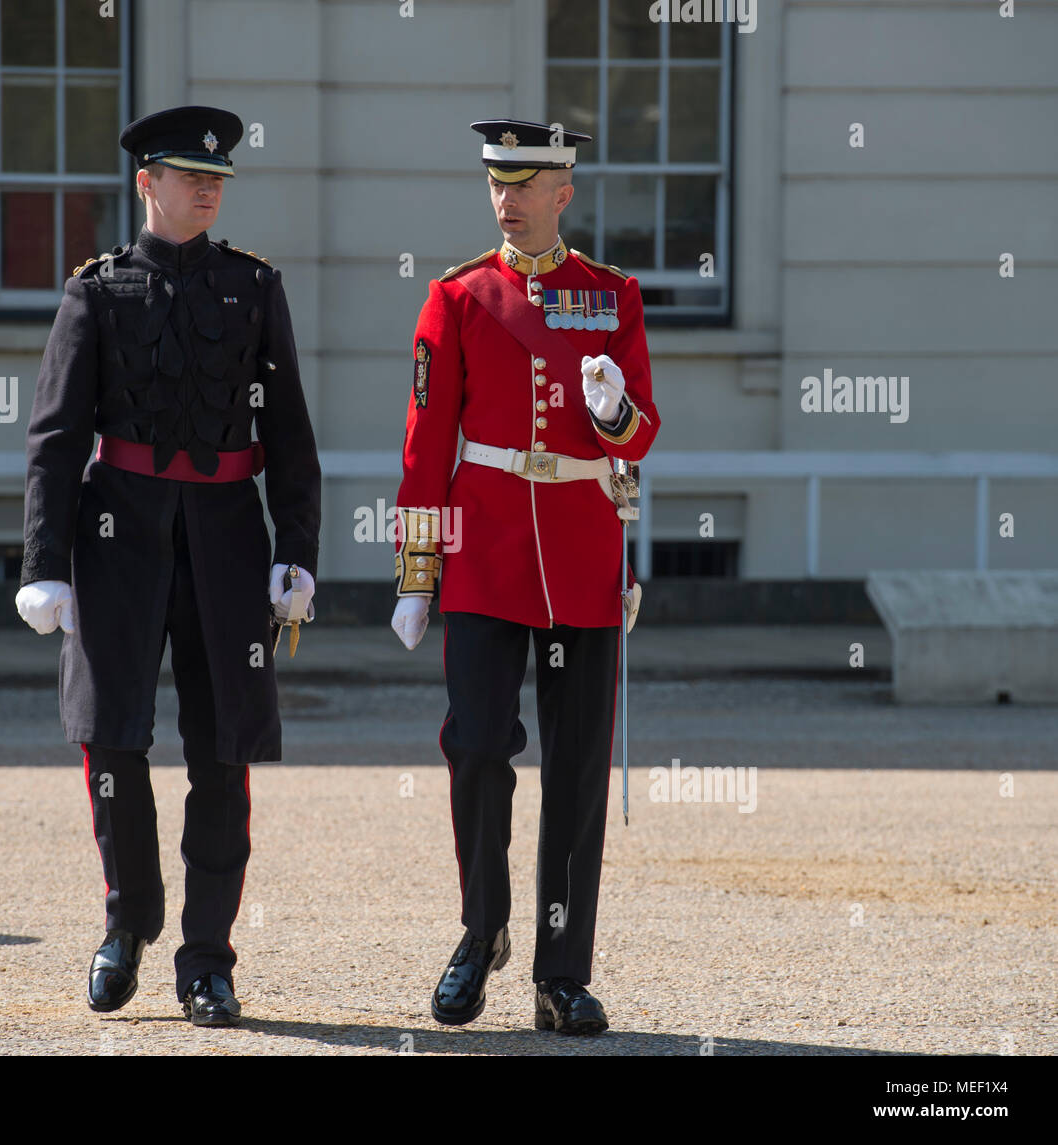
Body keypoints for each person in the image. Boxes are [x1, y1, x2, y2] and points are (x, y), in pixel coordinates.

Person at [14, 105, 321, 1027]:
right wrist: (45, 561)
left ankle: (207, 958)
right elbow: (57, 438)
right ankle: (127, 921)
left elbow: (292, 434)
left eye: (218, 176)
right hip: (118, 534)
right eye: (191, 174)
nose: (208, 187)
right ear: (147, 181)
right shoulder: (95, 293)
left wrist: (296, 550)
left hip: (228, 537)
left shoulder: (255, 286)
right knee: (111, 737)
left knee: (224, 749)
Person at [391, 119, 660, 1034]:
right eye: (498, 182)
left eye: (526, 181)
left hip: (583, 553)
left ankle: (562, 970)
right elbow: (429, 442)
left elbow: (640, 432)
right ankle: (481, 932)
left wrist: (614, 408)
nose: (507, 197)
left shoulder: (612, 296)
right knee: (475, 745)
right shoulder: (458, 296)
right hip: (486, 553)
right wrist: (417, 569)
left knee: (577, 769)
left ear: (564, 193)